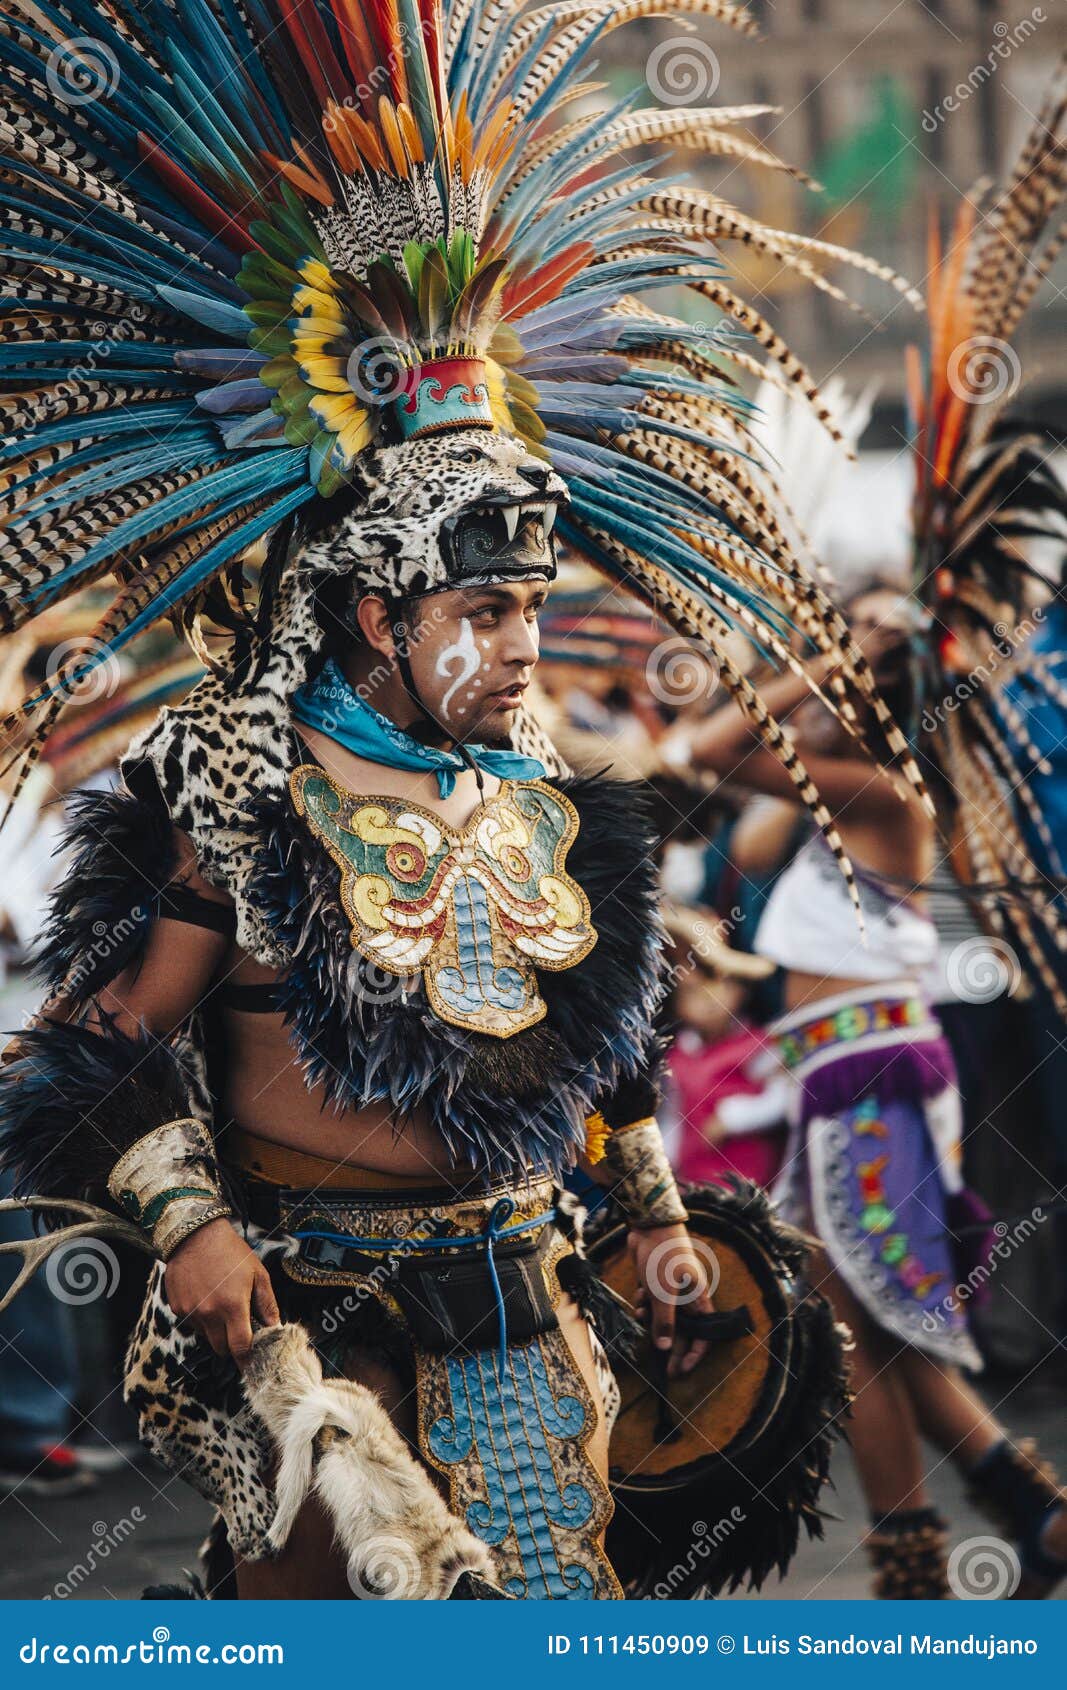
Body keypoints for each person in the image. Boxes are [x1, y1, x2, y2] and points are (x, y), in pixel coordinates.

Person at [681, 584, 1067, 1598]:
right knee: (877, 1330)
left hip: (870, 1081)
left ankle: (912, 1564)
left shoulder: (891, 798)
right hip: (843, 1084)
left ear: (864, 697)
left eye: (822, 688)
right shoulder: (827, 819)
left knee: (860, 1332)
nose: (797, 704)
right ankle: (1033, 1516)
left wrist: (828, 657)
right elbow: (703, 753)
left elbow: (716, 747)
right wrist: (824, 656)